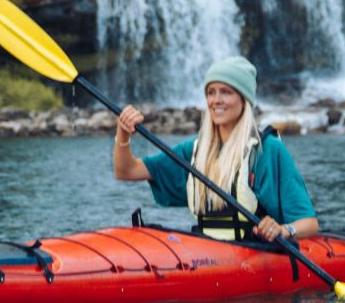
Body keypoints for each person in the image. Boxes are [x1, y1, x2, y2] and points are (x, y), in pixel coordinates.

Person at [112, 55, 318, 243]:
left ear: (243, 99)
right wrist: (123, 132)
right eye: (211, 92)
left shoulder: (267, 150)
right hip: (208, 254)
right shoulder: (195, 150)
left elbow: (309, 223)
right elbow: (126, 171)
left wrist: (283, 230)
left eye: (226, 92)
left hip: (257, 253)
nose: (216, 100)